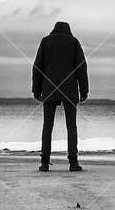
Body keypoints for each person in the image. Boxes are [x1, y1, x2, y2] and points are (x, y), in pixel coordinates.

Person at [31, 20, 87, 172]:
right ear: (69, 30)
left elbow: (37, 67)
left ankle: (44, 162)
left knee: (47, 126)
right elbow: (81, 67)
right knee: (72, 127)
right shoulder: (74, 42)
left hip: (49, 89)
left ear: (53, 29)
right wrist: (84, 90)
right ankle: (73, 162)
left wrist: (36, 90)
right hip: (69, 90)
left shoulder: (46, 42)